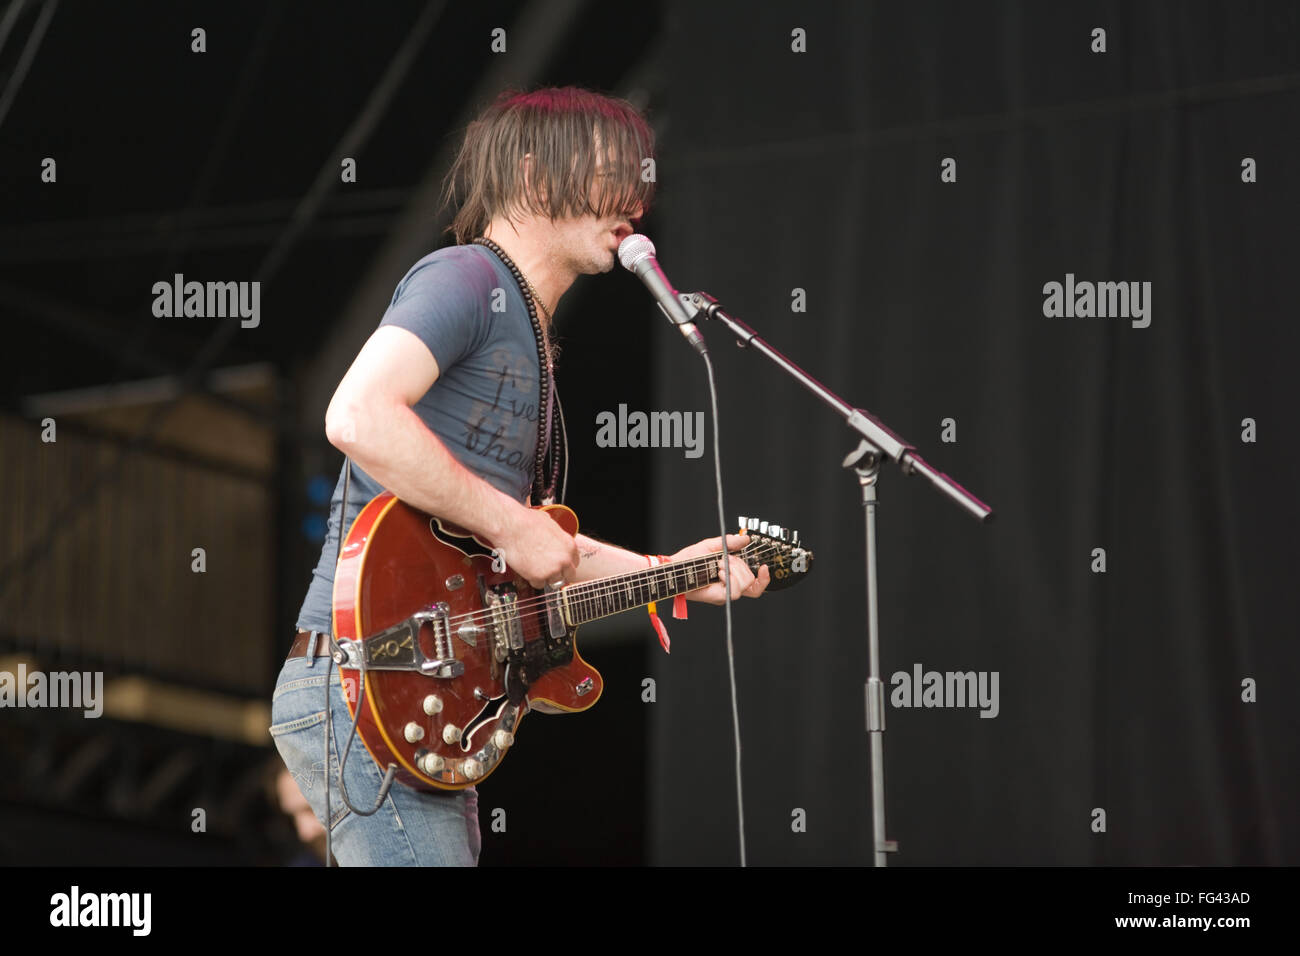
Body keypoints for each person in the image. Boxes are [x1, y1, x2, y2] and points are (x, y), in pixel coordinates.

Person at [269, 86, 770, 867]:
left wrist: (673, 573)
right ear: (536, 177)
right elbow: (357, 416)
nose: (636, 197)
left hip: (420, 692)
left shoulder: (527, 335)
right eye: (613, 172)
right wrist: (510, 524)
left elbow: (537, 550)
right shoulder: (466, 278)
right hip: (366, 680)